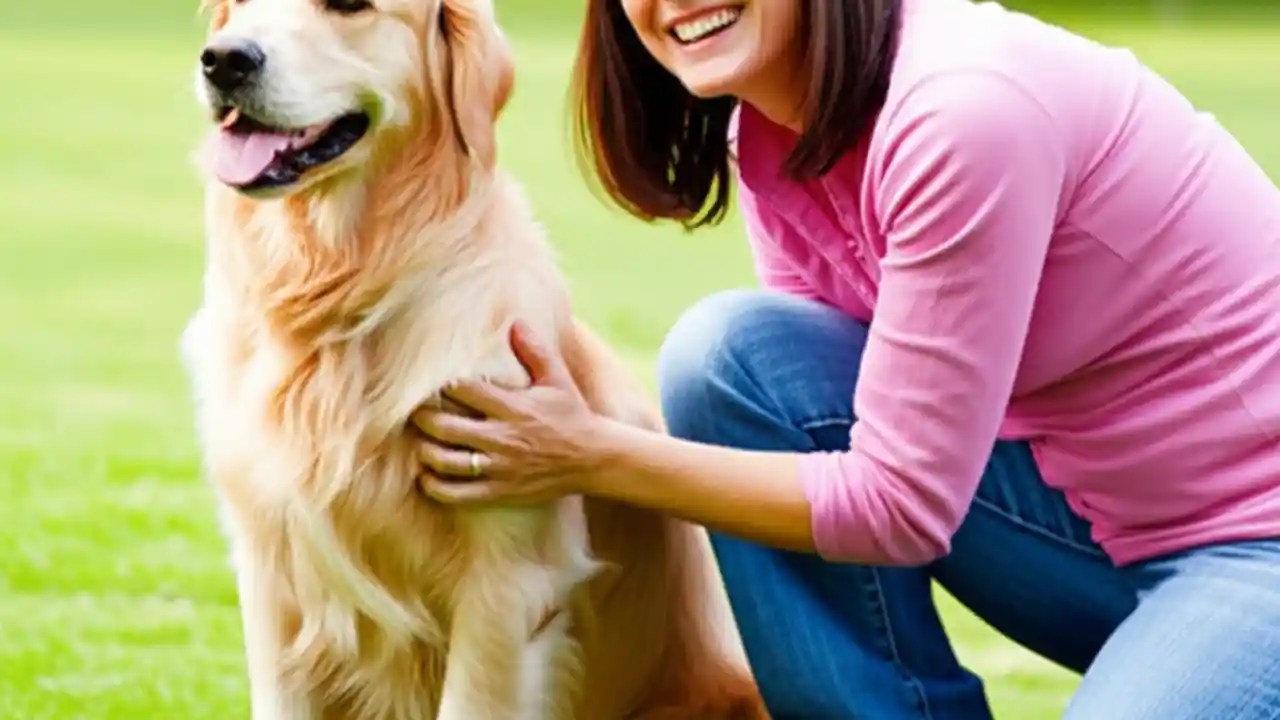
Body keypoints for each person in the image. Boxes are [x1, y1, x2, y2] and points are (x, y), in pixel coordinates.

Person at [410, 0, 1280, 717]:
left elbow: (898, 508)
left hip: (1256, 547)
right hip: (1093, 528)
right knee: (731, 362)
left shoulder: (960, 112)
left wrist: (591, 453)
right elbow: (819, 427)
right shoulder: (769, 134)